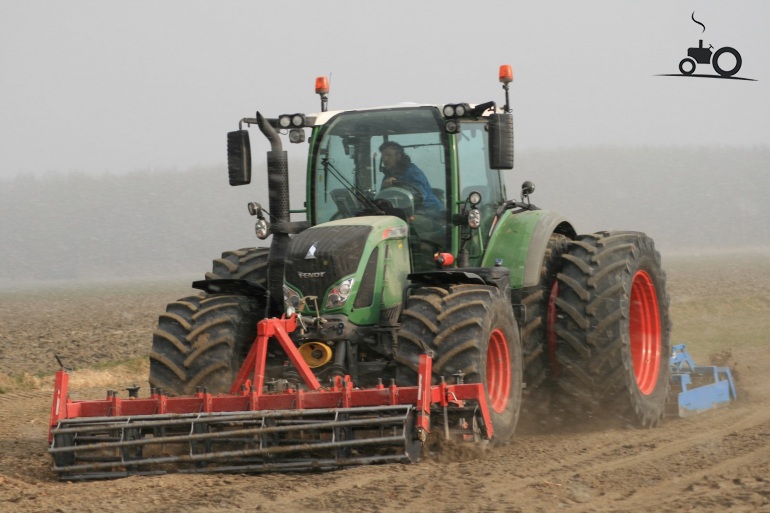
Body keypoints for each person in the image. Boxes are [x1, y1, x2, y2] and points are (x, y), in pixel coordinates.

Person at [379, 141, 443, 212]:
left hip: (427, 211)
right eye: (383, 156)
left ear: (398, 156)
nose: (385, 159)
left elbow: (419, 196)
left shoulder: (412, 172)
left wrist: (395, 185)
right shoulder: (388, 175)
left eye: (388, 155)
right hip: (404, 211)